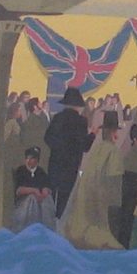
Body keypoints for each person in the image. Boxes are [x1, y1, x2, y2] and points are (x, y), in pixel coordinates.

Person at [60, 110, 125, 249]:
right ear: (113, 133)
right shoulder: (113, 151)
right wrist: (117, 203)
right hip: (103, 204)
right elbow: (114, 181)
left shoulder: (97, 149)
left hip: (89, 204)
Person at [42, 87, 91, 220]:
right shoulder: (81, 122)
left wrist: (59, 149)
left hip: (56, 163)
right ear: (78, 106)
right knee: (65, 200)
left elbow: (47, 138)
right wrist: (93, 135)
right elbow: (85, 146)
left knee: (52, 197)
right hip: (71, 165)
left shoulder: (58, 118)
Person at [12, 146, 53, 229]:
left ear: (37, 160)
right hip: (23, 205)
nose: (29, 161)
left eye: (31, 158)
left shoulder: (41, 172)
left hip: (40, 203)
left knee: (47, 200)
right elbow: (18, 190)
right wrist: (34, 191)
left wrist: (45, 190)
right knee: (32, 199)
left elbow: (47, 186)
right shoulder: (21, 170)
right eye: (27, 158)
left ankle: (47, 228)